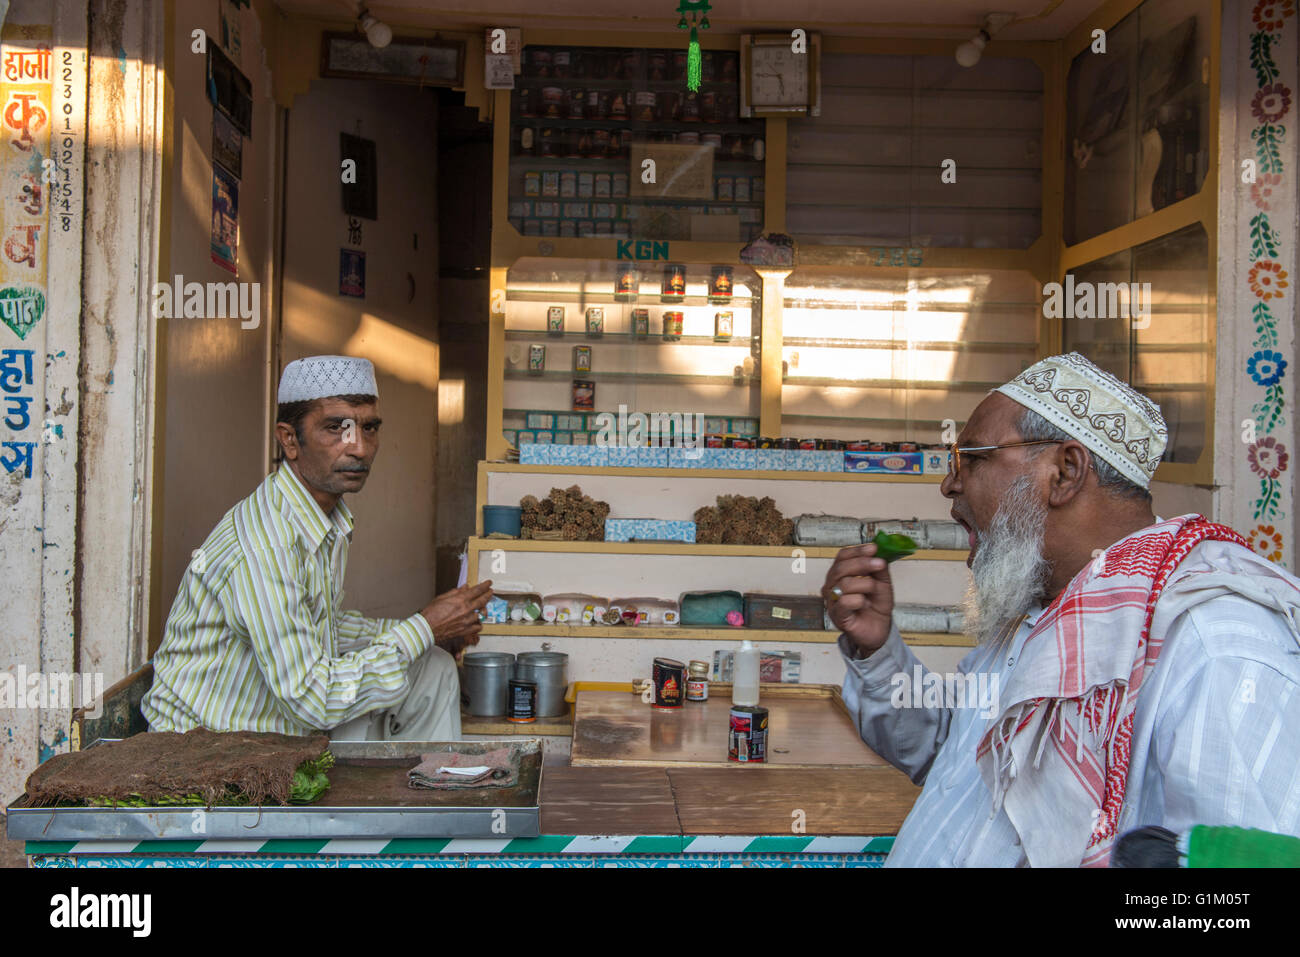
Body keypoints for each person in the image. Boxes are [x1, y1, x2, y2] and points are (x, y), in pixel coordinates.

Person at [825, 352, 1300, 867]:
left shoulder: (1215, 647)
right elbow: (958, 762)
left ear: (1065, 472)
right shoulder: (1043, 615)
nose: (950, 484)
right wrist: (875, 651)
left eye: (972, 458)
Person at [143, 355, 492, 741]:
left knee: (434, 667)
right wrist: (424, 626)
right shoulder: (267, 545)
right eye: (335, 428)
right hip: (215, 745)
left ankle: (425, 795)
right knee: (409, 671)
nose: (358, 447)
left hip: (283, 720)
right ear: (290, 440)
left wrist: (429, 632)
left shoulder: (322, 519)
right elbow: (313, 698)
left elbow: (320, 623)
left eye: (369, 427)